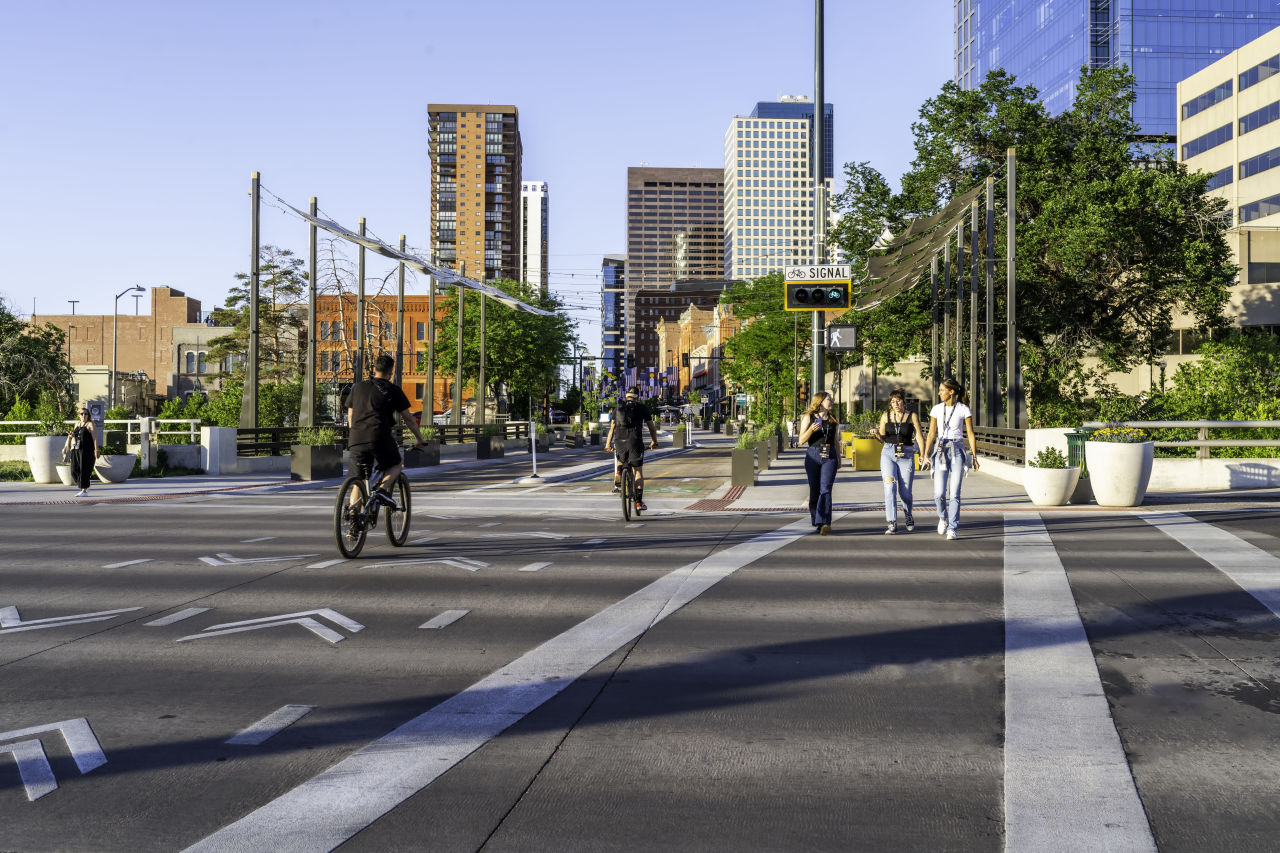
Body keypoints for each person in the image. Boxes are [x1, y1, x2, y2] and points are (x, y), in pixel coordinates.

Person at [346, 354, 426, 507]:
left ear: (374, 369)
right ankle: (382, 490)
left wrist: (355, 433)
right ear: (391, 372)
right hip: (379, 437)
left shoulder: (358, 387)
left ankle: (353, 521)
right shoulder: (393, 390)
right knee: (396, 464)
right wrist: (420, 439)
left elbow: (350, 415)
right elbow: (408, 419)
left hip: (356, 437)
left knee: (359, 480)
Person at [921, 378, 980, 540]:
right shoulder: (936, 409)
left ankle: (953, 527)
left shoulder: (963, 409)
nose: (939, 393)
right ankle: (943, 518)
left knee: (954, 493)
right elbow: (932, 433)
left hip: (957, 449)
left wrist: (974, 457)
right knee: (939, 493)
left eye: (942, 390)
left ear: (951, 392)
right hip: (940, 450)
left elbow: (971, 434)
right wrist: (926, 454)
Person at [873, 388, 922, 534]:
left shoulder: (911, 416)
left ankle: (908, 514)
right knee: (889, 487)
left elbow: (919, 435)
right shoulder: (885, 416)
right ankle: (892, 521)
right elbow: (882, 438)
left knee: (905, 492)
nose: (896, 404)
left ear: (903, 401)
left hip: (906, 454)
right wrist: (876, 434)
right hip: (888, 453)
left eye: (898, 401)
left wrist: (923, 454)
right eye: (893, 402)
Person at [605, 387, 659, 511]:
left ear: (626, 396)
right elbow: (652, 428)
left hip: (619, 441)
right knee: (638, 471)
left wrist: (608, 444)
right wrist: (654, 442)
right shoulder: (642, 408)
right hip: (635, 441)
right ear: (637, 397)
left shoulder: (618, 408)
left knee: (621, 459)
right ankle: (639, 502)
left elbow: (612, 429)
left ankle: (619, 472)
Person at [799, 391, 842, 535]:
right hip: (813, 455)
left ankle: (824, 522)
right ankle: (816, 519)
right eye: (829, 399)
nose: (832, 401)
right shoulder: (808, 417)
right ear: (820, 402)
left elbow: (836, 440)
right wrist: (811, 429)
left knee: (826, 489)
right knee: (815, 490)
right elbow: (801, 441)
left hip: (829, 456)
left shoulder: (833, 419)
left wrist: (839, 459)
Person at [64, 406, 98, 497]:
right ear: (78, 415)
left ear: (88, 415)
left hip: (87, 450)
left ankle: (84, 490)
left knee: (84, 469)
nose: (84, 415)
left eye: (86, 414)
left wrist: (96, 450)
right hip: (76, 449)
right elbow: (75, 436)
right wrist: (71, 436)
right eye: (82, 414)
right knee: (74, 470)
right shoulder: (77, 424)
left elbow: (95, 439)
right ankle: (82, 484)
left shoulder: (90, 424)